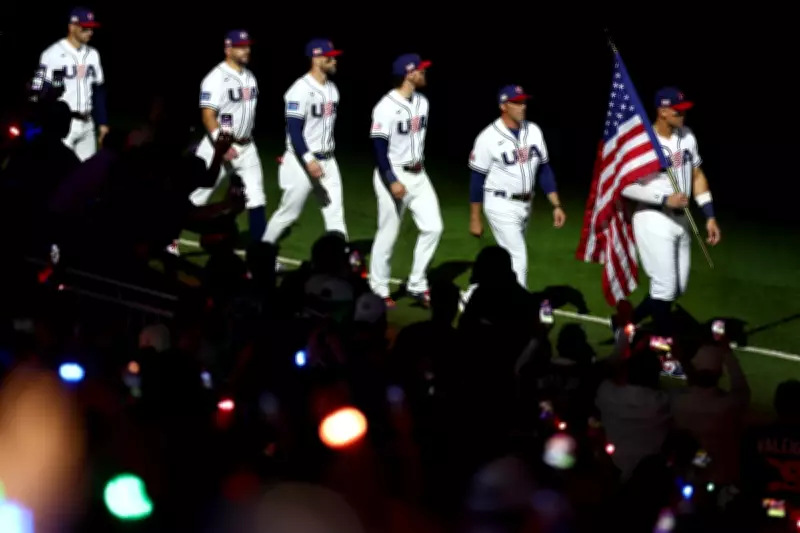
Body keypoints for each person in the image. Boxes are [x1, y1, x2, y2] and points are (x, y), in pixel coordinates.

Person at [621, 88, 721, 334]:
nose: (683, 115)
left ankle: (626, 323)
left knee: (676, 290)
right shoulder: (643, 143)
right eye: (678, 111)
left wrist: (709, 216)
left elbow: (697, 175)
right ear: (662, 112)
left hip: (682, 221)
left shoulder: (687, 136)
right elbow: (625, 185)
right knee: (664, 287)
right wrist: (663, 198)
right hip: (653, 218)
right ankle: (665, 351)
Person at [462, 84, 566, 307]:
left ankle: (472, 295)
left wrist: (555, 204)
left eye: (524, 102)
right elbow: (477, 179)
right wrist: (475, 217)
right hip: (500, 203)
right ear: (503, 106)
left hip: (526, 204)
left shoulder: (534, 131)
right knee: (518, 258)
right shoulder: (488, 138)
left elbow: (545, 170)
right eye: (517, 102)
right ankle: (518, 308)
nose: (523, 106)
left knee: (506, 258)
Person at [368, 54, 443, 308]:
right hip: (394, 173)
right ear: (408, 74)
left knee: (434, 227)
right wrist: (391, 180)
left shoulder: (423, 103)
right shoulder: (385, 107)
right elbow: (379, 147)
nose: (424, 73)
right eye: (420, 70)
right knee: (388, 233)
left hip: (419, 174)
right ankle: (378, 288)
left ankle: (416, 284)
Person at [263, 39, 348, 245]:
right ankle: (262, 254)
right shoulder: (299, 90)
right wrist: (309, 159)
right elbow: (294, 129)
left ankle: (341, 265)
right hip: (300, 163)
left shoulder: (332, 89)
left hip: (328, 161)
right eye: (330, 56)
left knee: (335, 216)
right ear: (317, 59)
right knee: (288, 214)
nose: (335, 60)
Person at [190, 30, 267, 243]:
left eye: (248, 46)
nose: (246, 50)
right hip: (217, 146)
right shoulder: (215, 78)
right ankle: (170, 239)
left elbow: (233, 113)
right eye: (241, 46)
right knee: (198, 195)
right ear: (228, 49)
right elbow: (208, 115)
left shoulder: (250, 77)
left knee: (256, 198)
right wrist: (221, 141)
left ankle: (259, 252)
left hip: (247, 147)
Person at [34, 7, 109, 161]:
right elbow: (41, 90)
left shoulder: (93, 55)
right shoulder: (51, 54)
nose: (90, 32)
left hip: (87, 124)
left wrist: (102, 122)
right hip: (63, 125)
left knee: (87, 175)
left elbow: (98, 90)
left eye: (92, 28)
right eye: (85, 28)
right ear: (72, 26)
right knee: (59, 172)